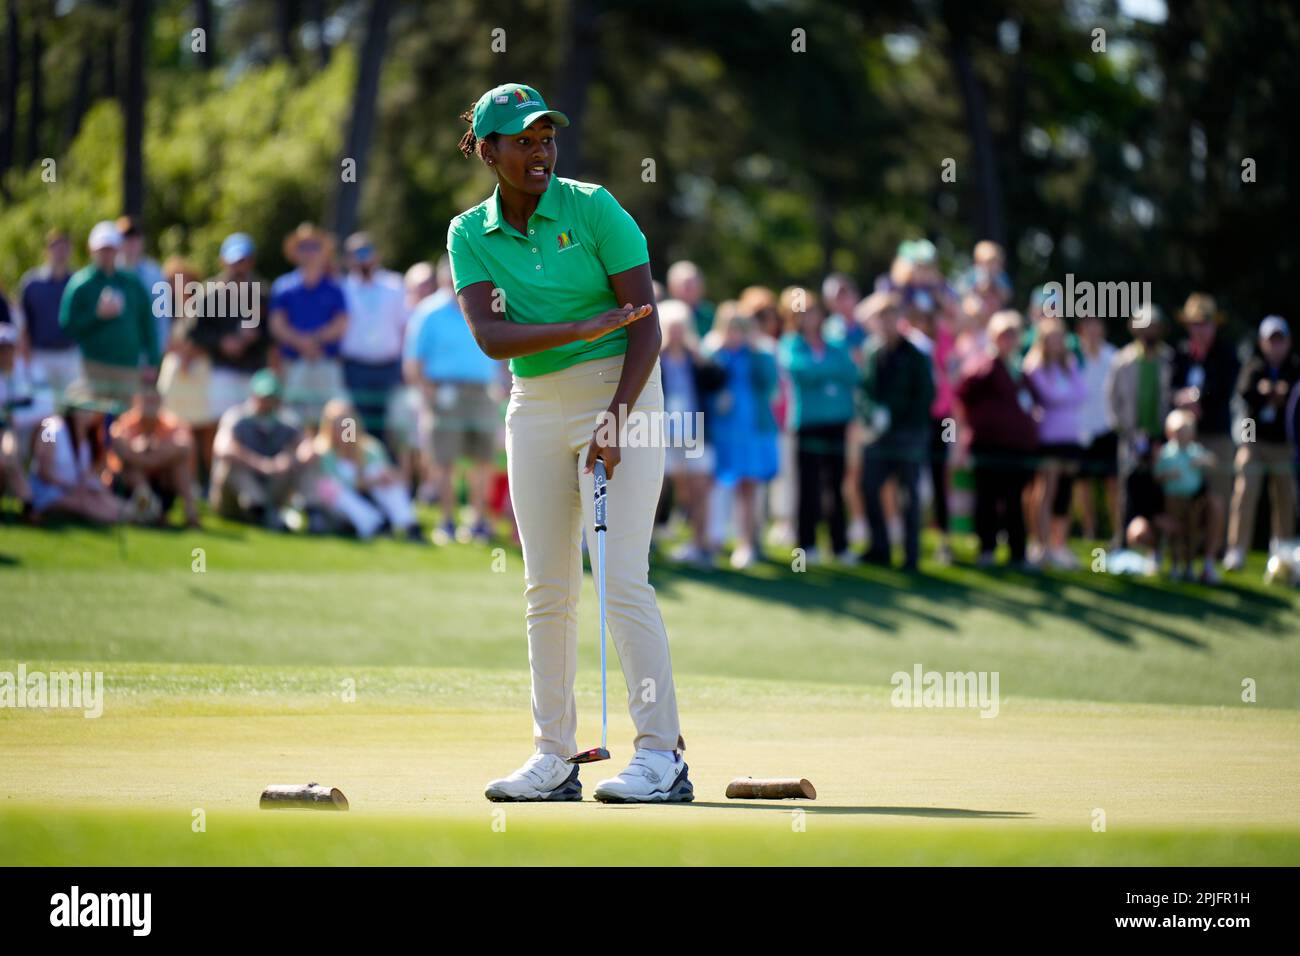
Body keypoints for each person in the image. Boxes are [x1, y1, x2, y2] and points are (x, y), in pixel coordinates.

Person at [448, 82, 689, 803]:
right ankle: (555, 755)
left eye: (546, 138)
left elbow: (644, 324)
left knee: (620, 581)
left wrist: (615, 417)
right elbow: (492, 338)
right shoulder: (469, 233)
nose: (540, 152)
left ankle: (662, 757)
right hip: (534, 401)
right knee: (547, 588)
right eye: (522, 141)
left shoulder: (594, 207)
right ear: (488, 151)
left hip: (625, 388)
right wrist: (580, 328)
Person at [404, 254, 501, 544]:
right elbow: (413, 361)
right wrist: (427, 392)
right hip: (443, 391)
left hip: (483, 392)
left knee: (483, 459)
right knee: (444, 461)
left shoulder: (487, 307)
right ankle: (447, 522)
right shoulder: (428, 312)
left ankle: (477, 522)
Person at [778, 290, 857, 564]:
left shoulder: (835, 344)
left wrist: (823, 374)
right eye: (801, 314)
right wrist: (828, 375)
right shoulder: (791, 343)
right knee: (808, 486)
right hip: (807, 424)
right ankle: (806, 545)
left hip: (836, 423)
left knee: (836, 484)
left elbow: (851, 373)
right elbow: (800, 371)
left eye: (811, 312)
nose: (808, 319)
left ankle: (840, 546)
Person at [955, 310, 1039, 568]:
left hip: (1018, 448)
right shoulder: (983, 366)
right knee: (987, 499)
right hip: (989, 446)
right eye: (1004, 335)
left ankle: (1017, 553)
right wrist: (959, 441)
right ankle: (987, 550)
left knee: (1015, 501)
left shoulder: (1018, 369)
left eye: (1013, 335)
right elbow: (961, 400)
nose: (1009, 341)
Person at [858, 291, 934, 570]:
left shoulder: (914, 354)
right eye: (882, 318)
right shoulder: (872, 352)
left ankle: (911, 555)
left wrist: (896, 416)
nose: (887, 323)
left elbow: (925, 395)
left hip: (910, 434)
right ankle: (880, 547)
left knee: (909, 495)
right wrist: (874, 414)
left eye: (891, 317)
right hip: (880, 435)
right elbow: (864, 391)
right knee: (868, 486)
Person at [702, 302, 780, 569]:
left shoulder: (759, 354)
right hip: (720, 429)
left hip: (752, 428)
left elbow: (771, 386)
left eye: (740, 329)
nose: (735, 334)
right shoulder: (712, 353)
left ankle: (747, 543)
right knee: (716, 486)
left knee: (749, 486)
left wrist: (759, 351)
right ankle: (712, 541)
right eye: (730, 328)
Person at [58, 221, 160, 409]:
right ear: (92, 250)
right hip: (93, 367)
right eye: (102, 249)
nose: (107, 254)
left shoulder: (132, 283)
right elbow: (68, 325)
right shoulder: (81, 284)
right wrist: (97, 315)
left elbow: (147, 323)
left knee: (126, 420)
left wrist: (152, 360)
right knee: (95, 418)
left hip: (128, 367)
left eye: (111, 249)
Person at [1225, 316, 1300, 568]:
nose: (1276, 346)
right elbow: (1245, 397)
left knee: (1285, 497)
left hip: (1284, 444)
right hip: (1253, 440)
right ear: (1262, 342)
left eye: (1280, 340)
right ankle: (1236, 550)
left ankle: (1284, 553)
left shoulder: (1295, 368)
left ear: (1288, 342)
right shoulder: (1253, 366)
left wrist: (1284, 392)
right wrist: (1262, 391)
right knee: (1245, 490)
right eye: (1271, 340)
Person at [656, 298, 723, 567]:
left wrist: (700, 358)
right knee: (656, 489)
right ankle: (646, 543)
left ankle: (701, 544)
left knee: (698, 489)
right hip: (660, 433)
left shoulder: (697, 359)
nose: (676, 333)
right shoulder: (654, 358)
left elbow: (718, 380)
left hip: (695, 431)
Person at [1171, 293, 1239, 554]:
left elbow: (1225, 388)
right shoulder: (1180, 353)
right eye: (1195, 323)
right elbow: (1171, 388)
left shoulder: (1226, 353)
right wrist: (1181, 398)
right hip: (1185, 438)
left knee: (1217, 495)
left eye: (1204, 323)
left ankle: (1215, 551)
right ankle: (1184, 549)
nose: (1199, 329)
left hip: (1215, 436)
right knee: (1183, 494)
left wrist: (1199, 398)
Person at [299, 398, 421, 541]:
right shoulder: (320, 450)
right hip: (340, 508)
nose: (344, 428)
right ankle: (375, 525)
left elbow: (381, 475)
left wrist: (354, 453)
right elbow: (344, 483)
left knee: (381, 474)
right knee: (330, 487)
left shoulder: (370, 448)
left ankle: (408, 524)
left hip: (370, 496)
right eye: (338, 424)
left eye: (347, 423)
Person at [1023, 316, 1088, 569]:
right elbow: (1049, 396)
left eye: (1059, 339)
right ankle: (1041, 543)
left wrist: (1065, 396)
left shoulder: (1069, 364)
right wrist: (1066, 396)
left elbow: (1081, 393)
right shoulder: (1035, 365)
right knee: (1046, 490)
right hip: (1047, 437)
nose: (1056, 344)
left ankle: (1059, 545)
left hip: (1070, 438)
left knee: (1065, 493)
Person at [269, 223, 349, 425]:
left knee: (335, 417)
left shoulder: (335, 287)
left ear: (324, 252)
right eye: (304, 246)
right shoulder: (283, 286)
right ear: (295, 252)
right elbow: (277, 324)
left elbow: (341, 323)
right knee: (293, 420)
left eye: (315, 246)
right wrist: (301, 343)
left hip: (326, 362)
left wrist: (314, 340)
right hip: (294, 363)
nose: (310, 252)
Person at [192, 232, 271, 431]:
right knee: (219, 426)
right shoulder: (209, 293)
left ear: (251, 262)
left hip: (253, 373)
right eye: (234, 261)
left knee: (252, 427)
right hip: (220, 371)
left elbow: (271, 333)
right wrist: (221, 341)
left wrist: (255, 337)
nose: (238, 267)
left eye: (242, 261)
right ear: (223, 261)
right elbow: (194, 331)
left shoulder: (262, 293)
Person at [1107, 305, 1173, 537]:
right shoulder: (1122, 360)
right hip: (1131, 437)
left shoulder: (1168, 359)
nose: (1149, 332)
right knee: (1128, 490)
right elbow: (1112, 401)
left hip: (1162, 438)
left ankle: (1157, 546)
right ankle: (1122, 540)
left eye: (1153, 327)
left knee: (1160, 491)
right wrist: (1126, 432)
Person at [209, 369, 304, 528]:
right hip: (232, 498)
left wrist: (287, 459)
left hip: (270, 487)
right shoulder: (236, 416)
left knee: (294, 468)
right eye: (263, 397)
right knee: (233, 467)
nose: (266, 402)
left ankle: (274, 510)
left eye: (271, 397)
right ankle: (257, 506)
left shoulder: (287, 421)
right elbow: (222, 448)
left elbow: (307, 448)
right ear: (253, 394)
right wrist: (259, 464)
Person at [340, 232, 408, 444]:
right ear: (348, 258)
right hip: (355, 367)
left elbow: (404, 326)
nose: (362, 258)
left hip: (389, 367)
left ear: (376, 255)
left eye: (366, 252)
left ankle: (389, 472)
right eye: (356, 253)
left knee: (391, 426)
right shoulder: (342, 288)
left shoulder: (395, 284)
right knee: (355, 423)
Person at [107, 386, 200, 528]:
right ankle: (149, 506)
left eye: (154, 399)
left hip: (161, 483)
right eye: (147, 399)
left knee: (179, 466)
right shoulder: (126, 422)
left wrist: (152, 450)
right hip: (128, 486)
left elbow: (185, 446)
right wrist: (143, 451)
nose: (150, 403)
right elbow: (121, 448)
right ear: (137, 400)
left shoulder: (171, 422)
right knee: (132, 468)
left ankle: (190, 512)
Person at [1154, 408, 1221, 582]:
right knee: (1175, 532)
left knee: (1191, 532)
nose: (1182, 435)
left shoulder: (1195, 451)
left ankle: (1190, 565)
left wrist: (1202, 461)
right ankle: (1175, 565)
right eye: (1178, 431)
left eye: (1186, 431)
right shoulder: (1166, 453)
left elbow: (1213, 461)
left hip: (1193, 501)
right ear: (1170, 432)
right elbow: (1157, 475)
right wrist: (1169, 475)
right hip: (1173, 500)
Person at [28, 403, 124, 524]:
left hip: (74, 490)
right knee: (95, 508)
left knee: (110, 507)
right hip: (49, 491)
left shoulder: (91, 436)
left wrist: (89, 487)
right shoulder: (51, 428)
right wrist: (71, 487)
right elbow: (43, 471)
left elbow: (90, 473)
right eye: (85, 409)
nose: (89, 414)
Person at [1073, 311, 1119, 542]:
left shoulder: (1114, 357)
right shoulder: (1072, 357)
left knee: (1113, 484)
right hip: (1080, 431)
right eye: (1087, 325)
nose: (1092, 330)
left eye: (1096, 325)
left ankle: (1118, 533)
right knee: (1083, 486)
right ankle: (1089, 533)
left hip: (1108, 429)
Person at [17, 229, 79, 396]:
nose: (60, 253)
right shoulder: (31, 283)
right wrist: (25, 356)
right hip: (40, 355)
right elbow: (23, 323)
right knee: (43, 403)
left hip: (70, 354)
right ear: (47, 251)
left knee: (73, 405)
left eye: (64, 248)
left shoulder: (78, 281)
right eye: (56, 248)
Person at [116, 215, 170, 352]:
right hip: (114, 352)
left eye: (135, 237)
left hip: (144, 352)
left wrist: (156, 354)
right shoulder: (108, 271)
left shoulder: (155, 273)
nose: (131, 242)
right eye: (126, 238)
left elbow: (162, 317)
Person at [666, 260, 715, 341]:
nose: (690, 290)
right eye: (686, 285)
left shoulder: (709, 315)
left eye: (693, 284)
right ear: (671, 287)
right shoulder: (662, 315)